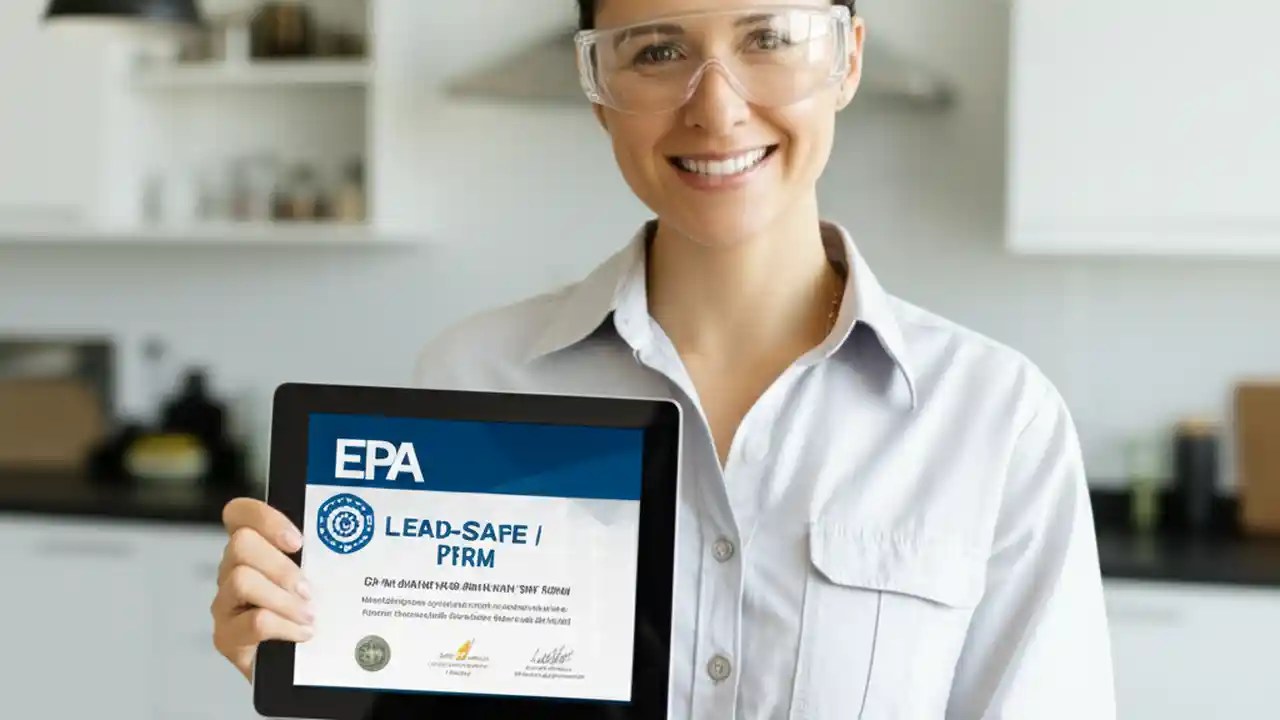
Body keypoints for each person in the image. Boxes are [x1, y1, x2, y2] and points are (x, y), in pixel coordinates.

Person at [211, 0, 1116, 717]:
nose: (716, 107)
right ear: (597, 86)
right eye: (655, 51)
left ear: (847, 59)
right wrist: (321, 652)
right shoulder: (475, 379)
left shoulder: (997, 418)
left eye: (767, 37)